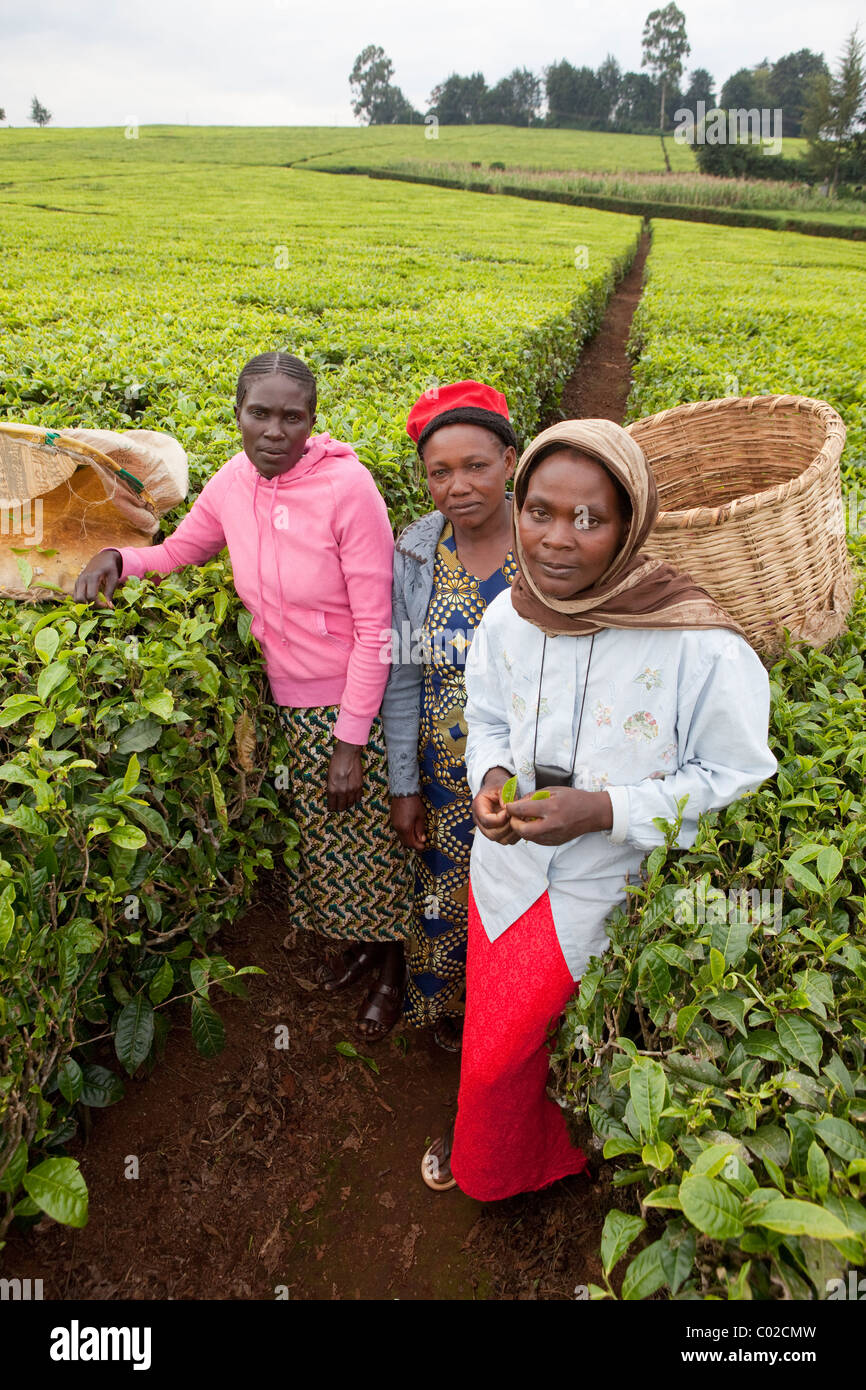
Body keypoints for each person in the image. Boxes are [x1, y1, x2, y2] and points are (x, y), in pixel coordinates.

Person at [421, 418, 777, 1195]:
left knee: (499, 1053)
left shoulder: (695, 643)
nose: (556, 538)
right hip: (505, 876)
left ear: (628, 527)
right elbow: (486, 718)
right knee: (504, 1037)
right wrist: (493, 776)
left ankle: (515, 1166)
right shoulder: (509, 617)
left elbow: (736, 774)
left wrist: (604, 810)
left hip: (598, 892)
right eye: (540, 511)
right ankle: (529, 1156)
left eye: (589, 519)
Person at [73, 351, 411, 1041]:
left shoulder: (350, 489)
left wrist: (350, 741)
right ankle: (361, 946)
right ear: (238, 414)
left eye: (292, 417)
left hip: (353, 704)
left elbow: (378, 627)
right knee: (328, 843)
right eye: (260, 413)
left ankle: (393, 971)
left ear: (314, 422)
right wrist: (121, 560)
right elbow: (180, 552)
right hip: (288, 700)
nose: (275, 430)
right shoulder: (233, 481)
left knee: (373, 844)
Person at [381, 382, 518, 1052]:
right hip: (442, 773)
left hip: (526, 767)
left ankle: (511, 1019)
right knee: (443, 895)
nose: (457, 485)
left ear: (511, 463)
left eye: (476, 466)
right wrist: (404, 783)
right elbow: (404, 676)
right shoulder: (415, 553)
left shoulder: (550, 539)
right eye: (440, 471)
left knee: (519, 895)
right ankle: (450, 1016)